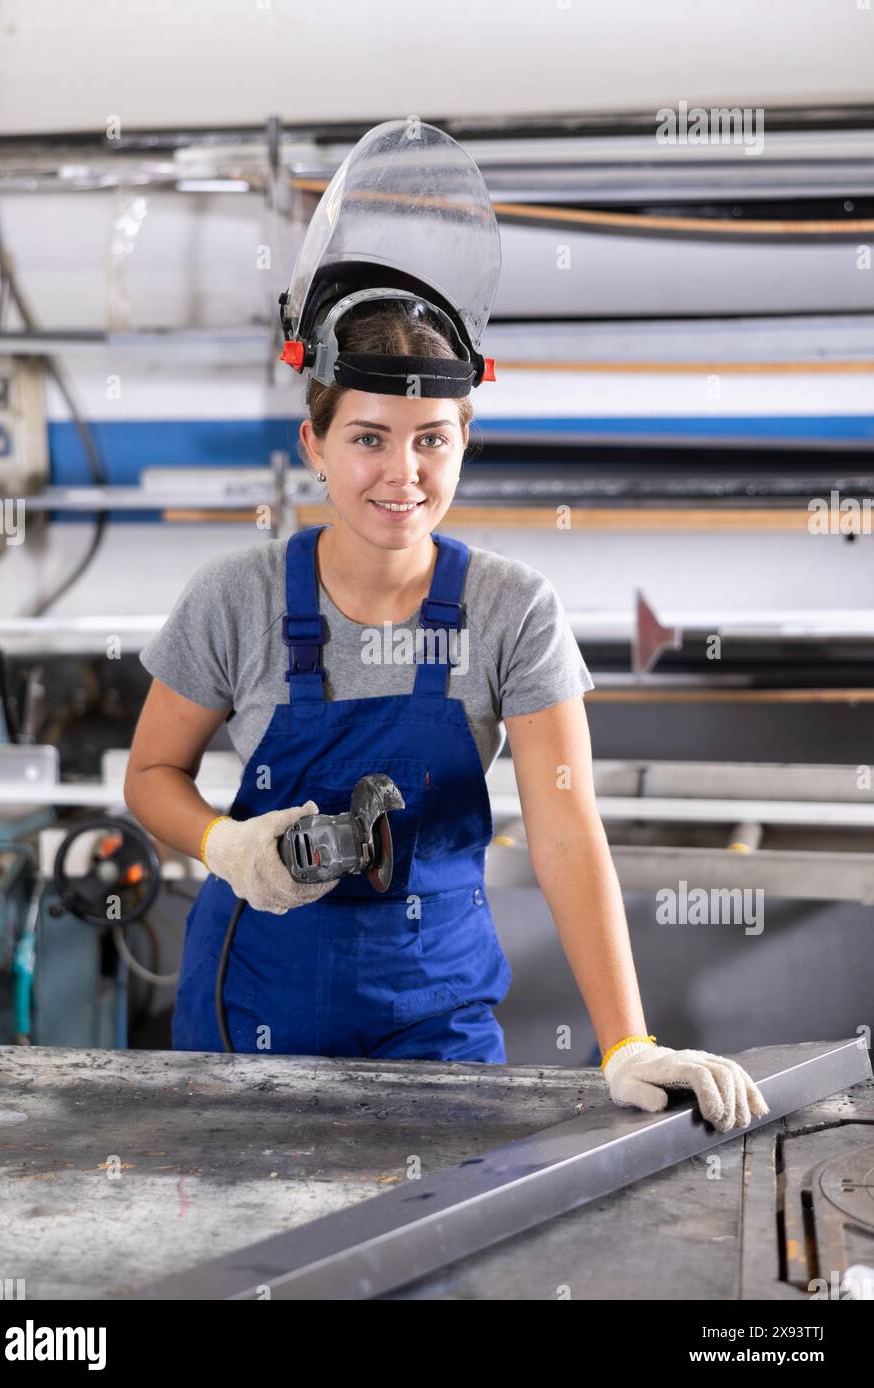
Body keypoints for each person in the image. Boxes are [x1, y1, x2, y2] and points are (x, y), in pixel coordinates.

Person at [125, 120, 768, 1133]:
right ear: (315, 443)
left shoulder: (512, 611)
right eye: (368, 438)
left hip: (432, 1018)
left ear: (468, 433)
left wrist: (626, 1040)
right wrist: (227, 844)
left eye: (432, 439)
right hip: (249, 1012)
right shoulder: (235, 598)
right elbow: (147, 776)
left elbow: (564, 828)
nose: (402, 474)